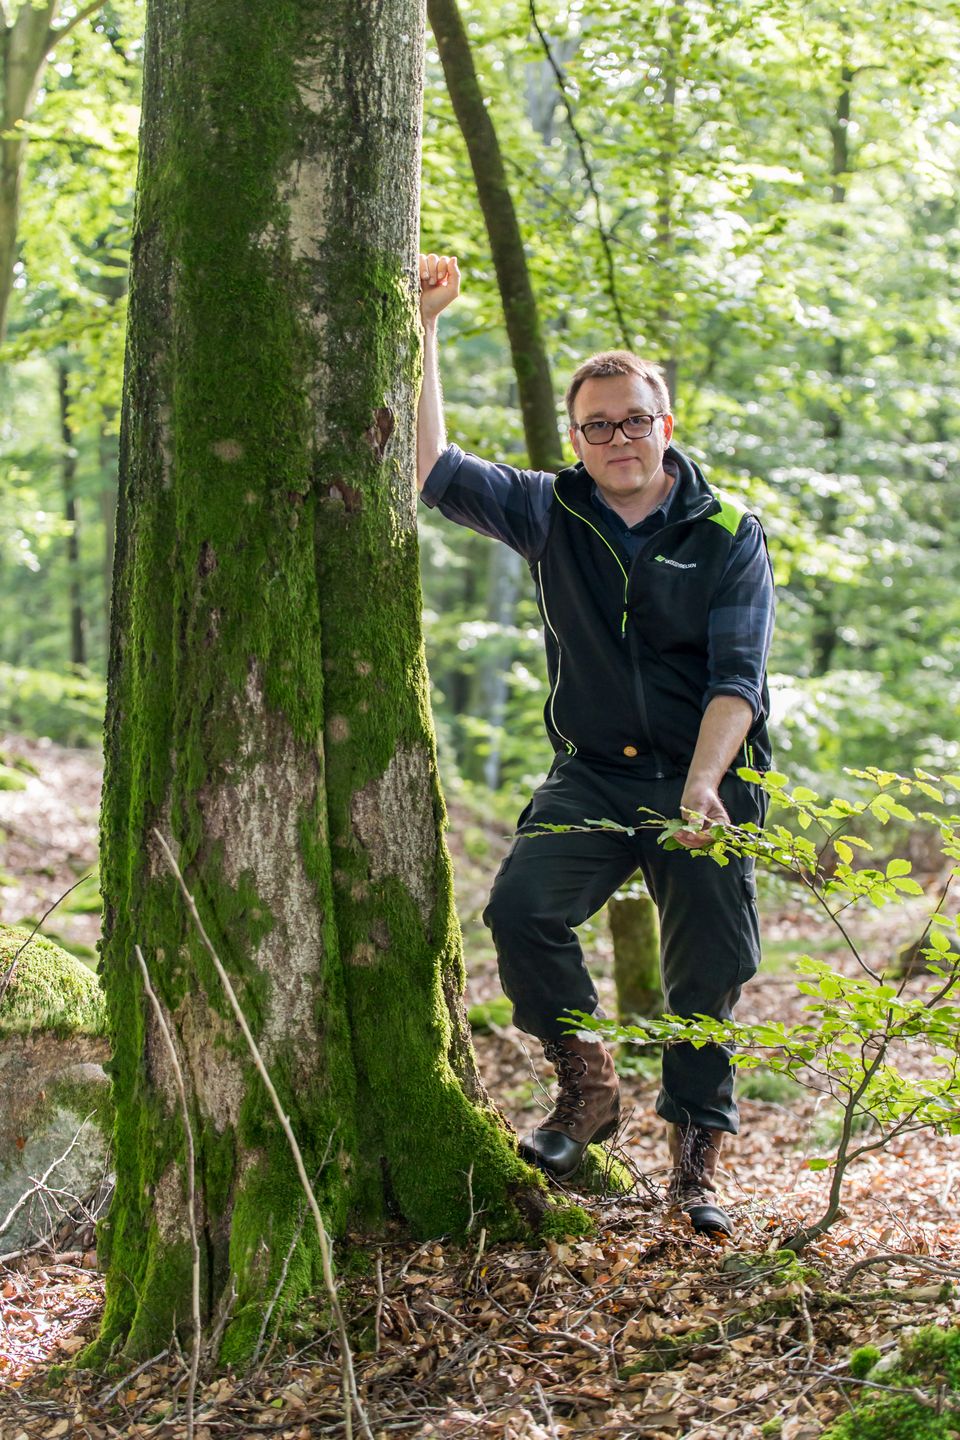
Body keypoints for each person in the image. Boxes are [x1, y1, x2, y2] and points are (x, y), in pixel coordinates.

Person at [417, 252, 775, 1236]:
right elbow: (431, 469)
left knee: (707, 969)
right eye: (599, 425)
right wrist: (429, 327)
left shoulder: (727, 531)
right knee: (521, 910)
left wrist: (703, 787)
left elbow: (738, 680)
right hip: (593, 774)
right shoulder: (553, 510)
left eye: (635, 420)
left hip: (708, 780)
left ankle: (696, 1167)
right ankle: (587, 1083)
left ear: (667, 425)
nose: (620, 438)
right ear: (575, 439)